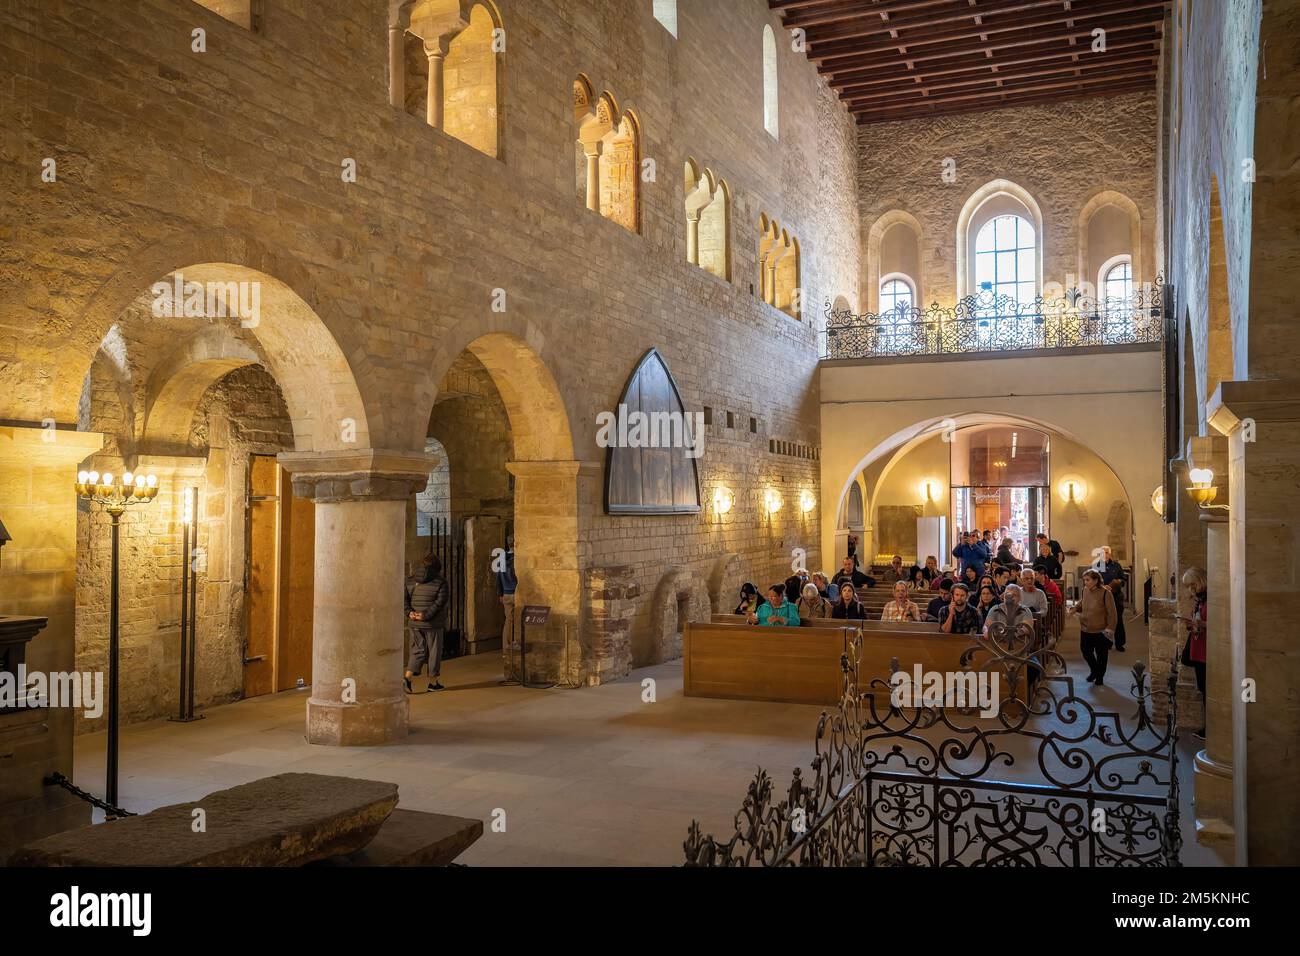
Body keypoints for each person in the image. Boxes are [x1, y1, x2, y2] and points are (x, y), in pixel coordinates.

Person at [405, 554, 449, 693]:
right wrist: (425, 615)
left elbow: (404, 600)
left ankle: (407, 679)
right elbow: (439, 603)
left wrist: (410, 613)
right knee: (434, 652)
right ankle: (433, 683)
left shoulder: (410, 580)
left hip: (414, 623)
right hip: (432, 624)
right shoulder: (441, 582)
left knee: (417, 651)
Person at [1072, 569, 1117, 685]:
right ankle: (1095, 671)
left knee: (1101, 655)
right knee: (1086, 651)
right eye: (1084, 580)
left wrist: (1110, 629)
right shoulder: (1085, 590)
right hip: (1085, 627)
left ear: (1096, 580)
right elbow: (1083, 601)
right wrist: (1076, 608)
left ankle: (1099, 676)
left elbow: (1112, 613)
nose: (1085, 582)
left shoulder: (1106, 593)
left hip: (1100, 629)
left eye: (1088, 580)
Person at [1177, 567, 1208, 740]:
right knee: (1203, 689)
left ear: (1200, 581)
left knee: (1208, 690)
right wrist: (1191, 623)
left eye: (1192, 585)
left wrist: (1201, 624)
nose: (1191, 589)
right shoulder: (1200, 599)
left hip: (1207, 652)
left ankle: (1212, 728)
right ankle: (1208, 726)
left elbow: (1220, 624)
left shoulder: (1212, 598)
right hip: (1198, 649)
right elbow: (1198, 619)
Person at [1099, 546, 1127, 651]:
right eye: (1102, 553)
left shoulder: (1117, 565)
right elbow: (1091, 581)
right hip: (1102, 597)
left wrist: (1117, 582)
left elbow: (1123, 579)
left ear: (1110, 554)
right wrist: (1103, 586)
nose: (1105, 555)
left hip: (1116, 596)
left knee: (1118, 620)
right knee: (1104, 620)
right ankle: (1106, 643)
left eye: (1106, 552)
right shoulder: (1096, 566)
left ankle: (1120, 644)